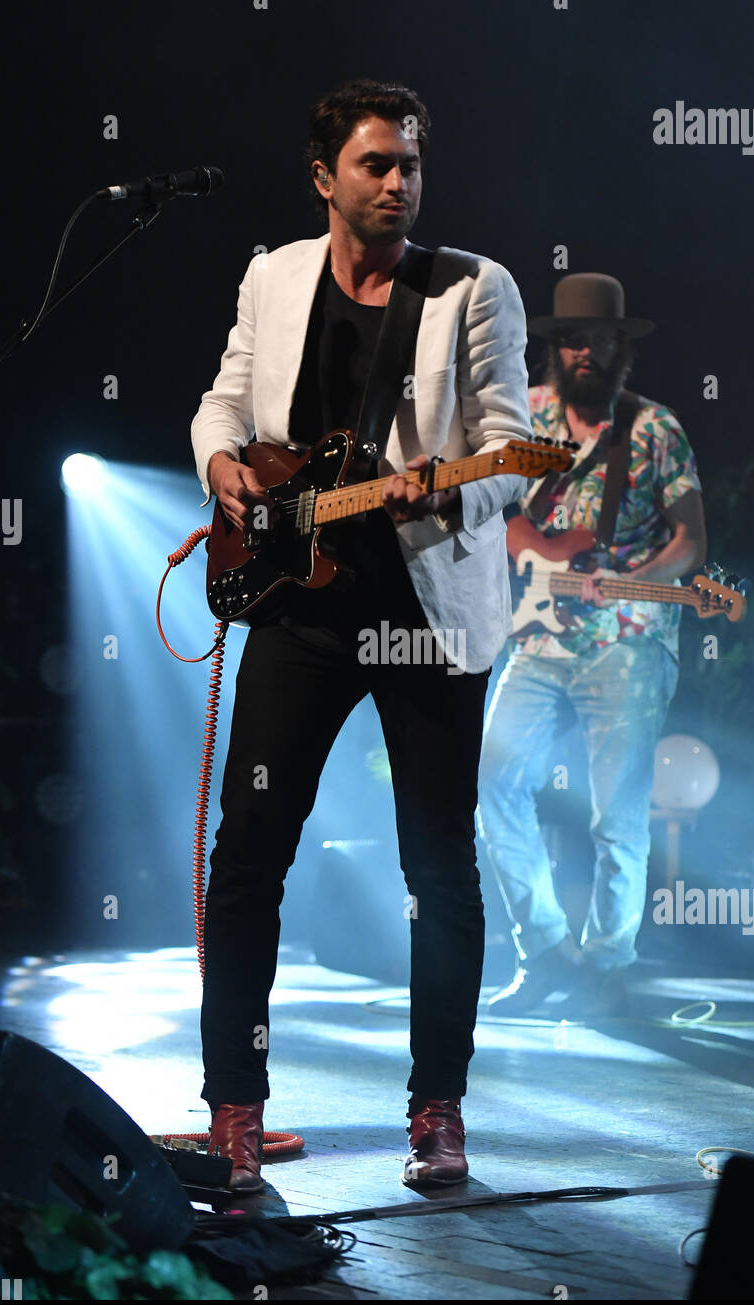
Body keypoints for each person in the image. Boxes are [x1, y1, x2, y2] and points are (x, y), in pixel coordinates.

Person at [190, 79, 532, 1191]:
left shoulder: (472, 289)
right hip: (300, 600)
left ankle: (437, 1110)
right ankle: (233, 1111)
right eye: (376, 165)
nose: (397, 184)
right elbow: (222, 402)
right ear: (323, 175)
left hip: (425, 612)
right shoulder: (273, 273)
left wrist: (440, 492)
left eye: (410, 166)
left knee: (438, 864)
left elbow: (509, 445)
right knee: (245, 857)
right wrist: (223, 466)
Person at [477, 273, 706, 1018]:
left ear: (621, 347)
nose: (585, 351)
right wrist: (526, 547)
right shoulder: (527, 418)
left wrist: (638, 578)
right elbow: (497, 514)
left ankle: (607, 966)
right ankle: (544, 952)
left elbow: (692, 542)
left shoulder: (655, 429)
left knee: (618, 816)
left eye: (599, 339)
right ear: (554, 347)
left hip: (628, 638)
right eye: (572, 339)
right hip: (540, 637)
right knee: (493, 782)